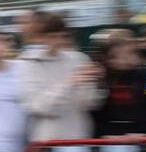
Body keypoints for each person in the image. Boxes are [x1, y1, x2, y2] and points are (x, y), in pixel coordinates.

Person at [16, 11, 101, 142]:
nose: (58, 41)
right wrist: (70, 83)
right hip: (47, 141)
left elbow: (89, 103)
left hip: (80, 137)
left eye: (62, 36)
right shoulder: (27, 62)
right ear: (41, 36)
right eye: (52, 36)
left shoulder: (79, 59)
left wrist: (94, 83)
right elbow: (40, 107)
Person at [91, 30, 146, 138]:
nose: (121, 60)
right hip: (108, 139)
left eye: (128, 54)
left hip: (142, 137)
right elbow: (95, 115)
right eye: (113, 57)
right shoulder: (100, 78)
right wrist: (105, 135)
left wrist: (145, 133)